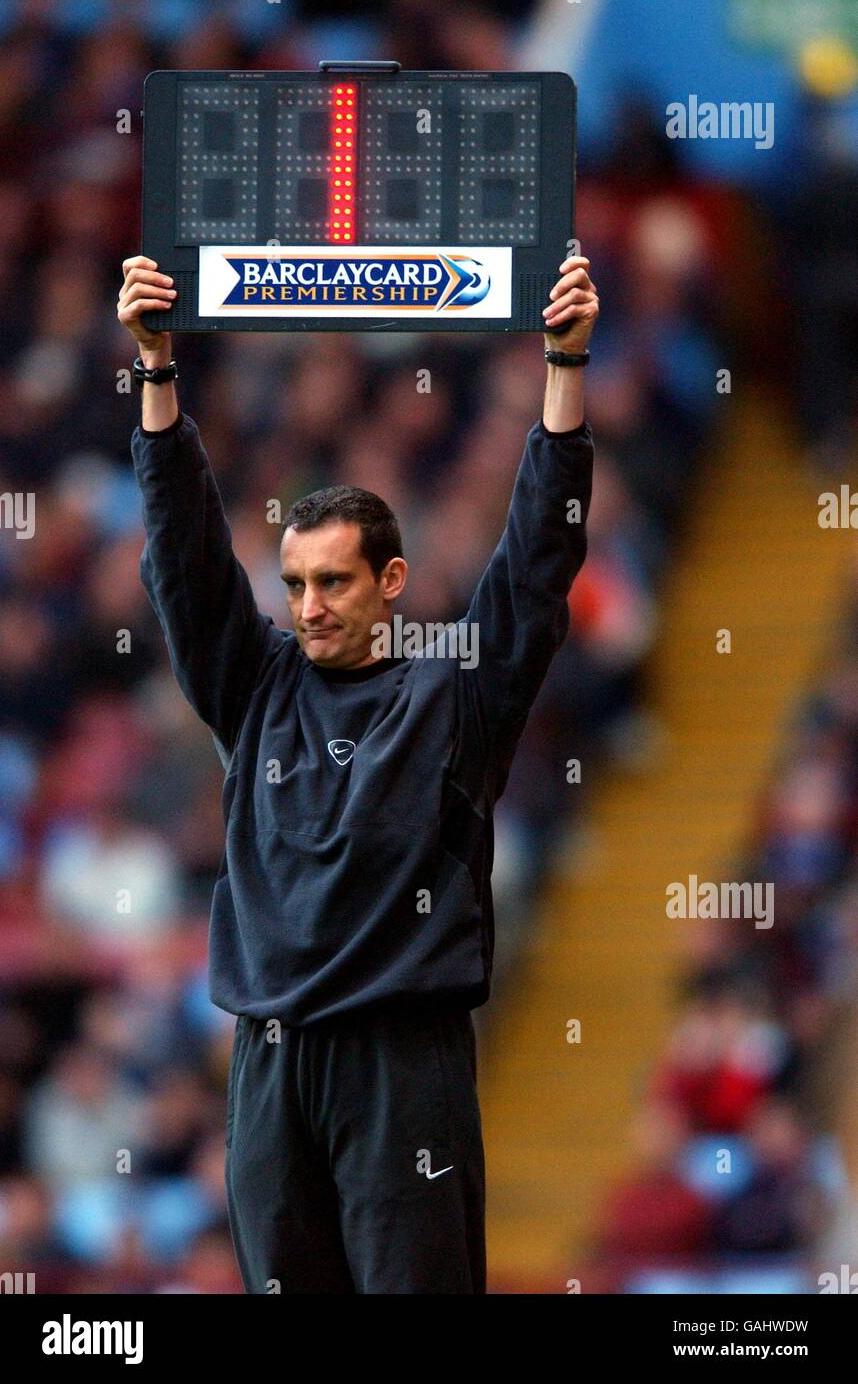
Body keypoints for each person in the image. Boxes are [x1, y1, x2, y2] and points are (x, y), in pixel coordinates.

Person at [118, 251, 598, 1293]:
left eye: (333, 581)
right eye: (292, 583)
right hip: (271, 1060)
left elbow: (534, 565)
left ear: (390, 580)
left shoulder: (456, 693)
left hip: (402, 1062)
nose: (309, 604)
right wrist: (157, 370)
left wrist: (562, 364)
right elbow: (185, 563)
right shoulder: (253, 686)